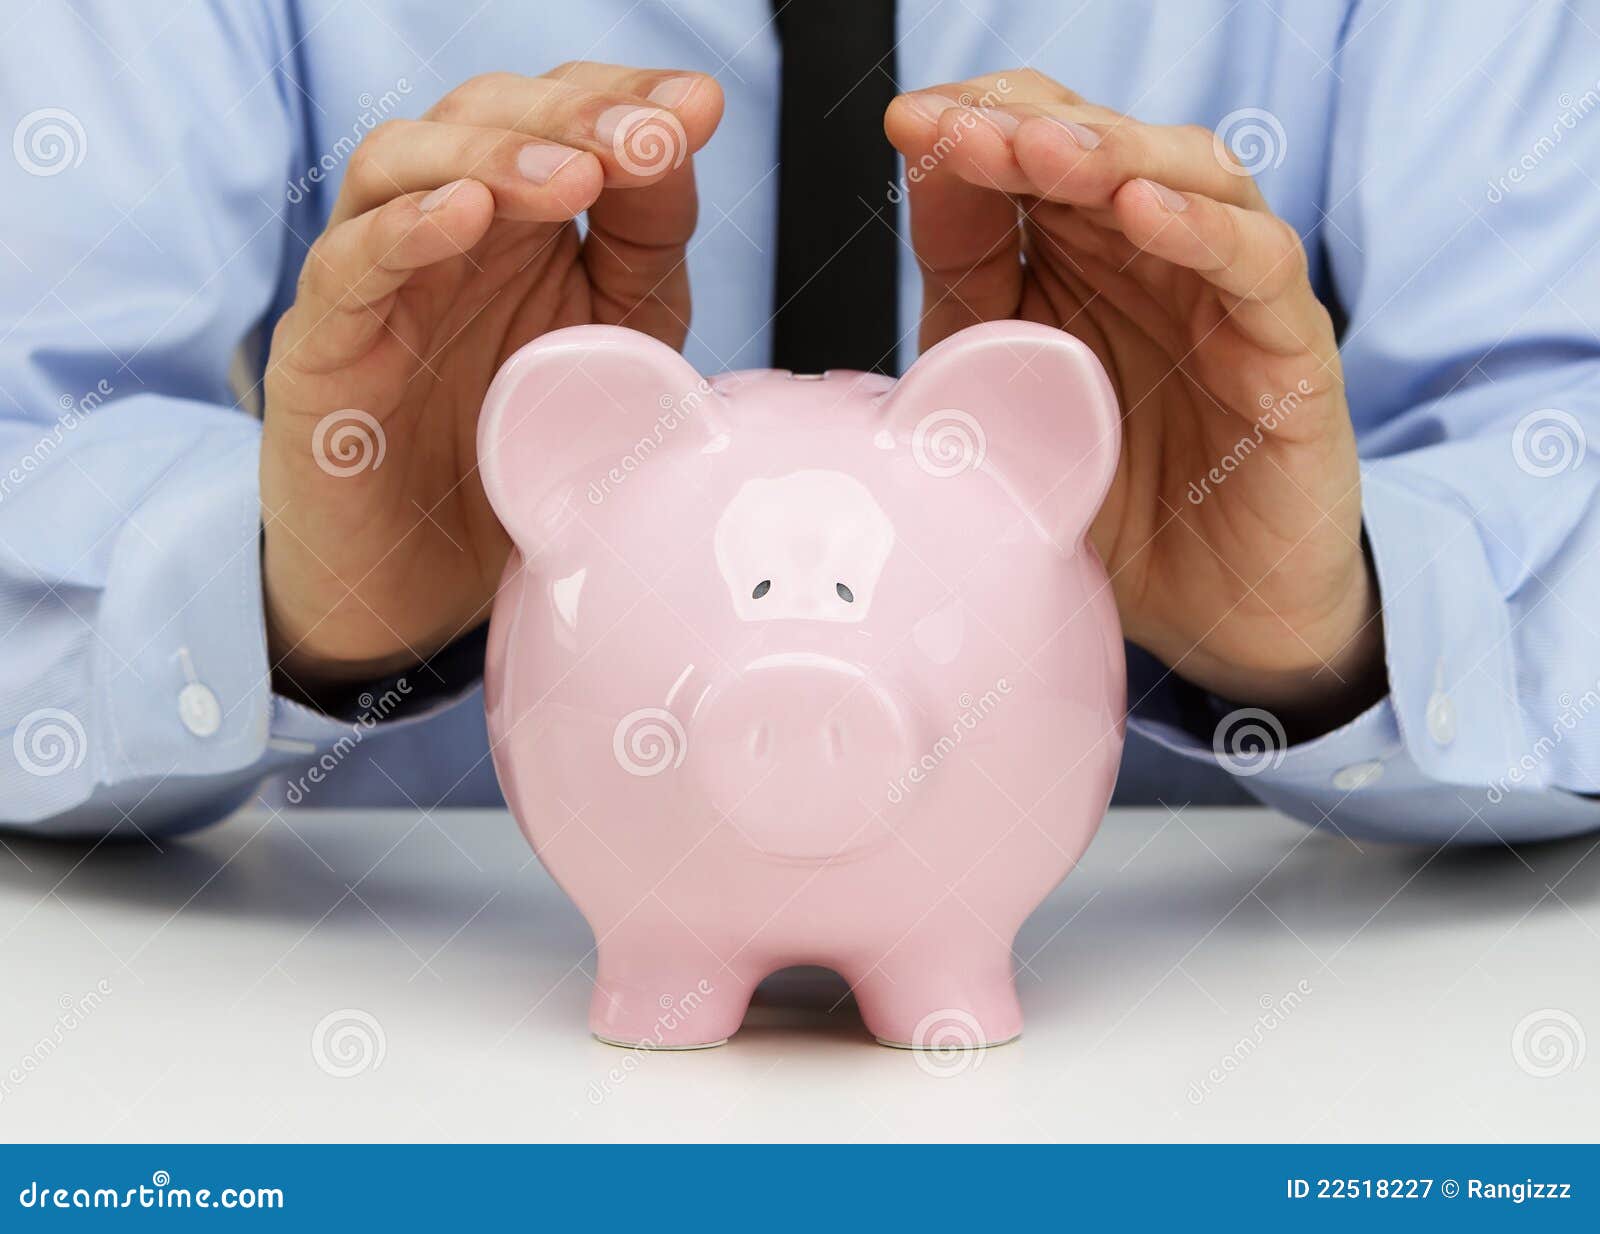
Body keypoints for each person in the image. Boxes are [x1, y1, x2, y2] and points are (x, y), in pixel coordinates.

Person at [1, 1, 1596, 845]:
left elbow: (1562, 425)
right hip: (429, 1046)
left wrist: (1330, 634)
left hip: (1198, 1036)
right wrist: (295, 599)